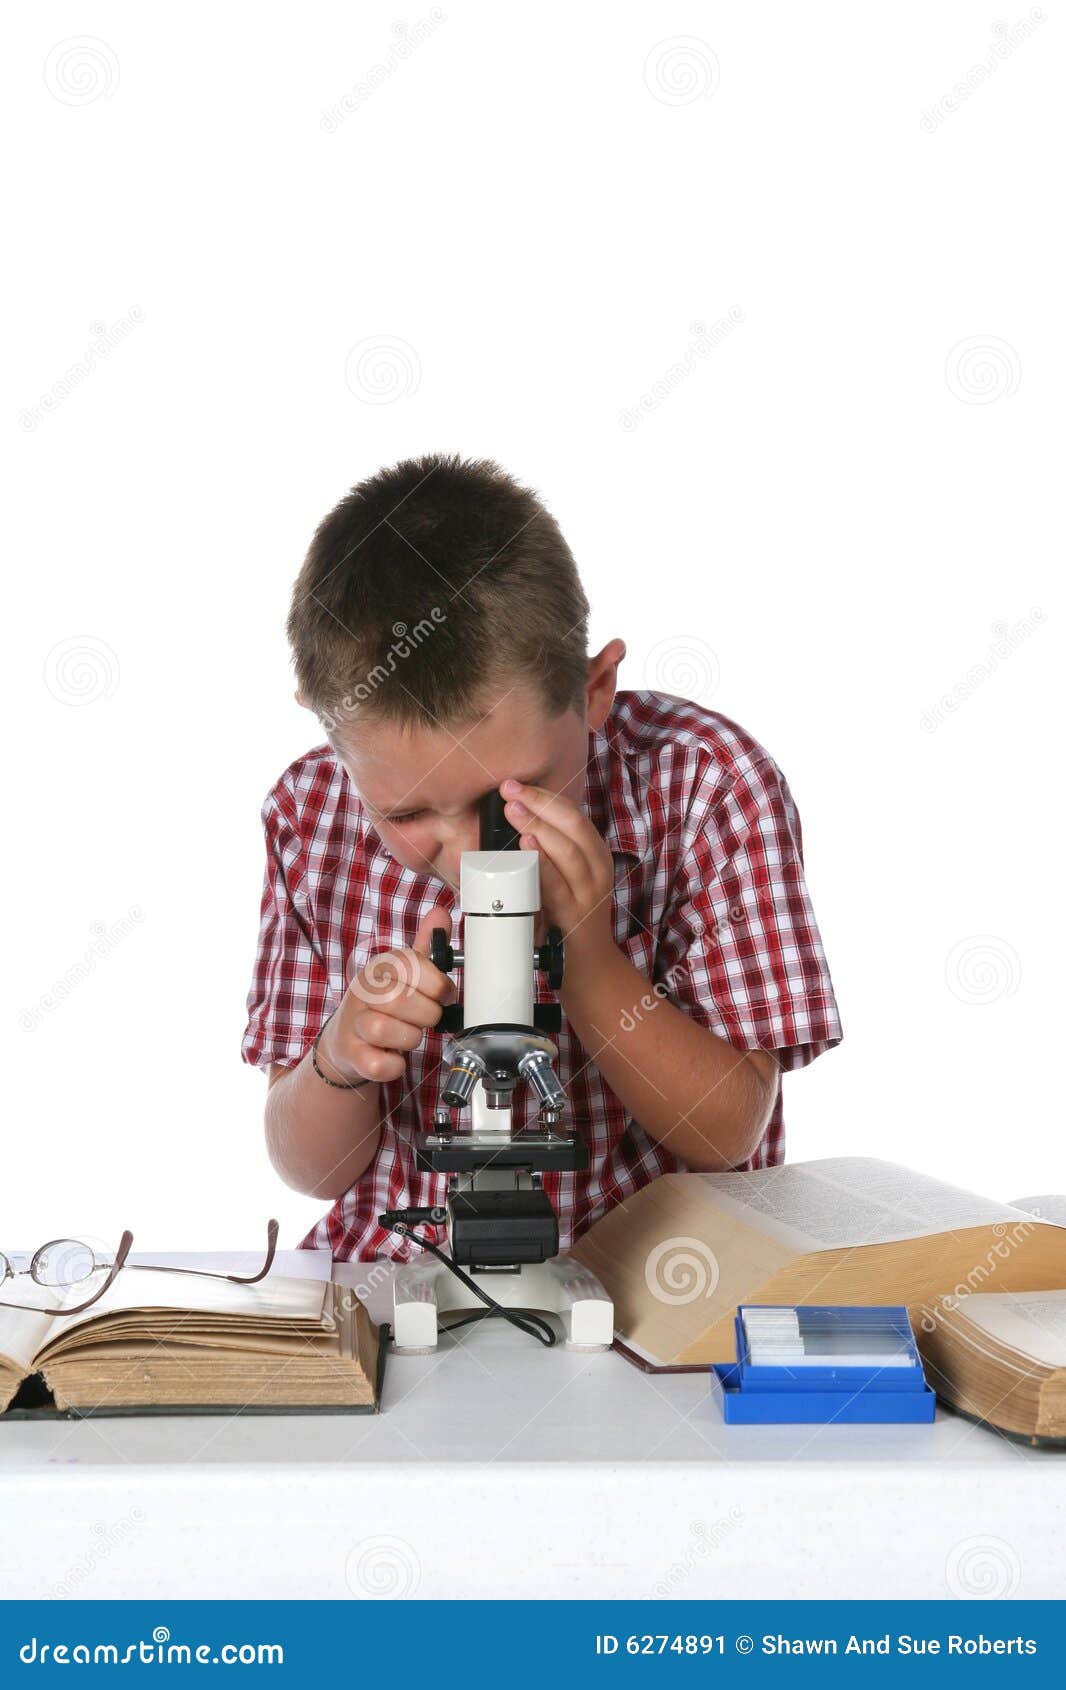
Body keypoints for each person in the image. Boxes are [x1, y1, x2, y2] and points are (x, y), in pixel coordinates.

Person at [241, 453, 843, 1260]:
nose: (464, 854)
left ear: (594, 692)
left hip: (653, 1283)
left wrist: (588, 955)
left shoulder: (708, 784)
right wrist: (342, 1059)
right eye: (410, 811)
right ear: (329, 729)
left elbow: (728, 1133)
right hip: (400, 1273)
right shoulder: (309, 815)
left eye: (511, 794)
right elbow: (309, 1167)